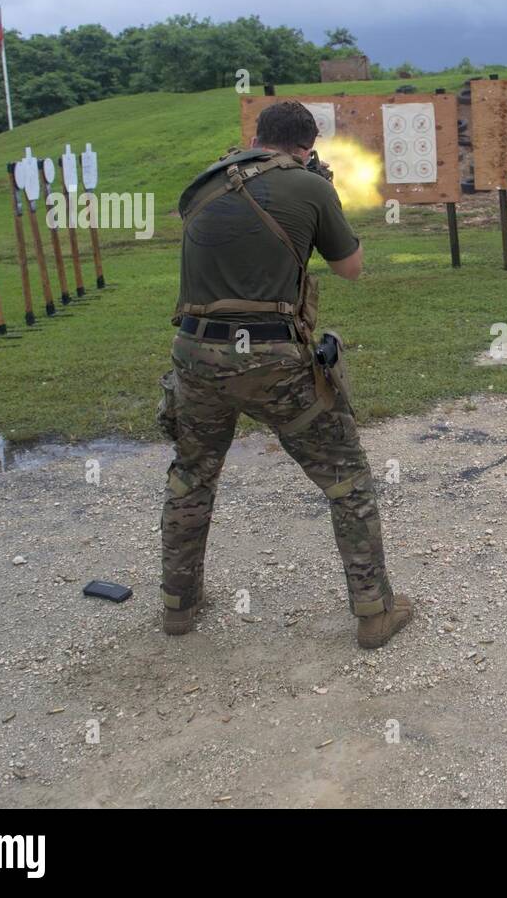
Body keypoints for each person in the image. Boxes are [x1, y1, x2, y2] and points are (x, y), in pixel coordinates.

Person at [157, 100, 412, 647]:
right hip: (272, 360)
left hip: (196, 354)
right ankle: (373, 613)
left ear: (259, 135)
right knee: (347, 481)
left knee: (191, 476)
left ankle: (178, 605)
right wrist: (324, 193)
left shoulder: (206, 183)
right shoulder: (309, 185)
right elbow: (351, 269)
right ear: (306, 143)